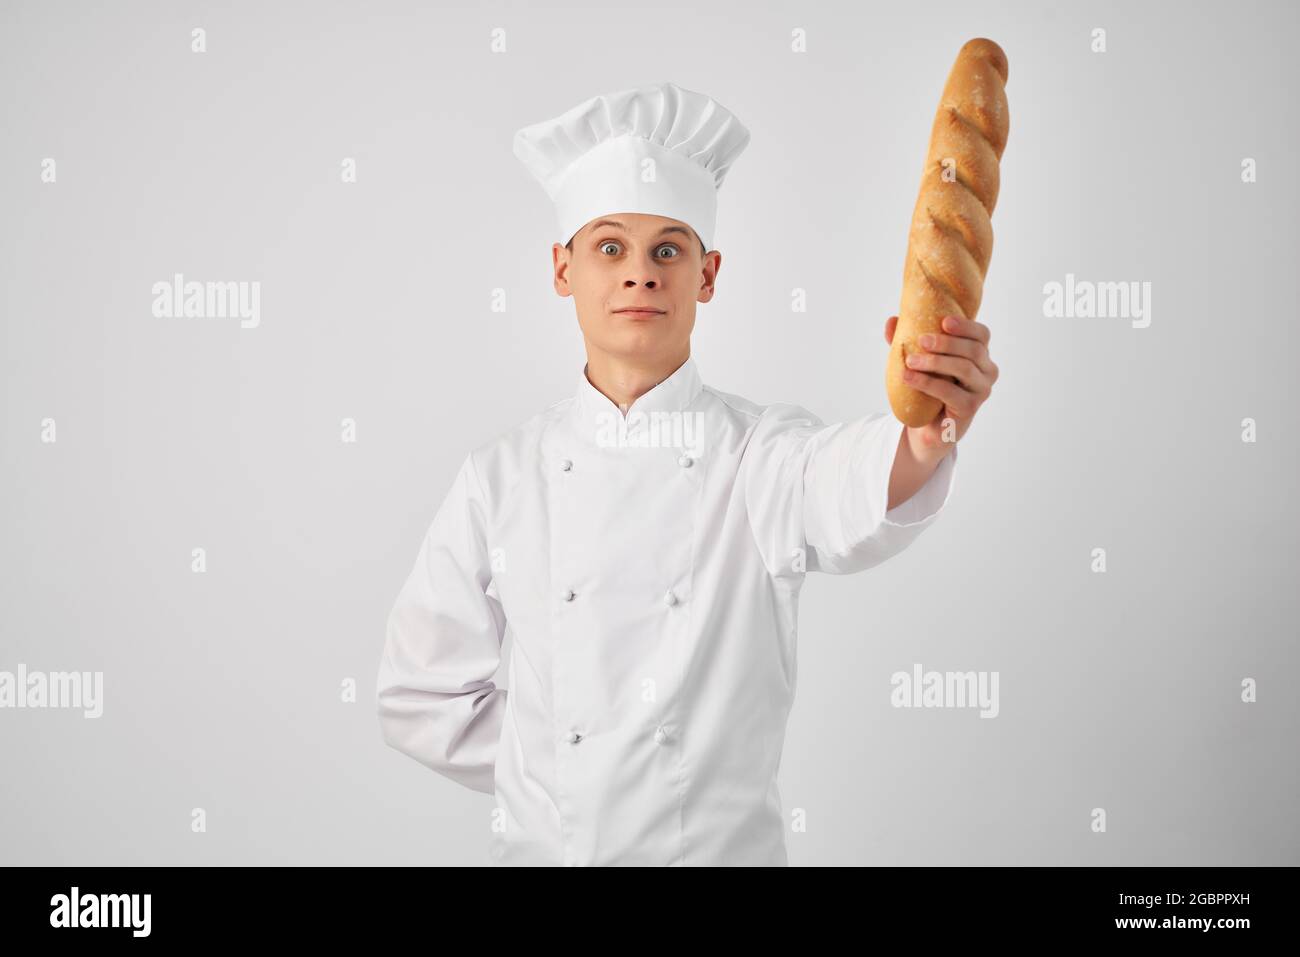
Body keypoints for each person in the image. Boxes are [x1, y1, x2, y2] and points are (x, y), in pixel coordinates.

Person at [376, 81, 998, 866]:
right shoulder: (499, 477)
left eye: (668, 249)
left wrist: (929, 429)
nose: (640, 274)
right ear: (561, 269)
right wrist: (568, 761)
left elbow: (851, 481)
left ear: (707, 275)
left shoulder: (761, 454)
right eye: (610, 247)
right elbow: (418, 696)